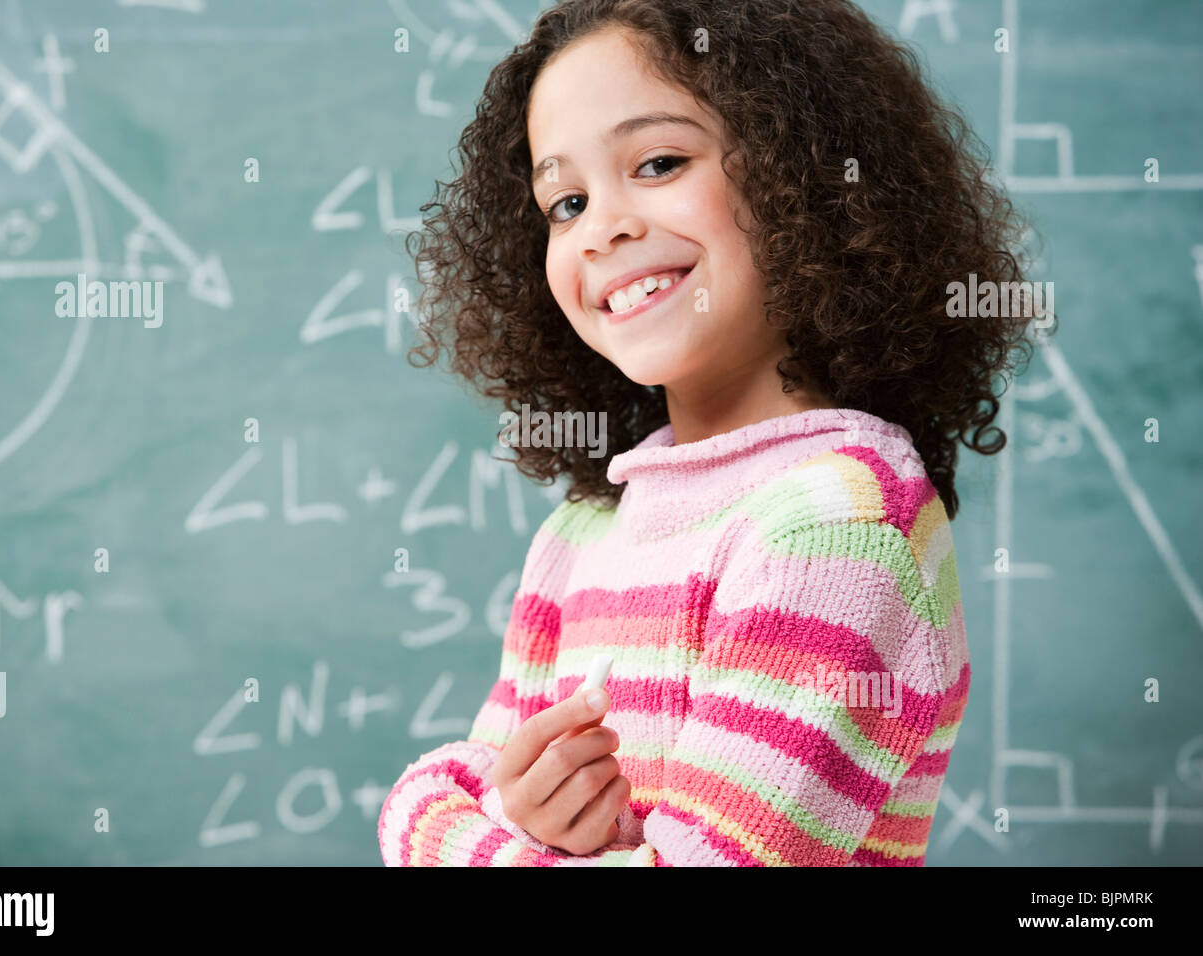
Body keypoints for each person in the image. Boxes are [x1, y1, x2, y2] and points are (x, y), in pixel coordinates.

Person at [378, 0, 1050, 866]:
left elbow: (436, 820)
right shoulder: (579, 539)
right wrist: (542, 826)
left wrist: (479, 833)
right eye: (566, 201)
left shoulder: (841, 521)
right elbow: (435, 800)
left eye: (658, 162)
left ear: (801, 175)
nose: (604, 228)